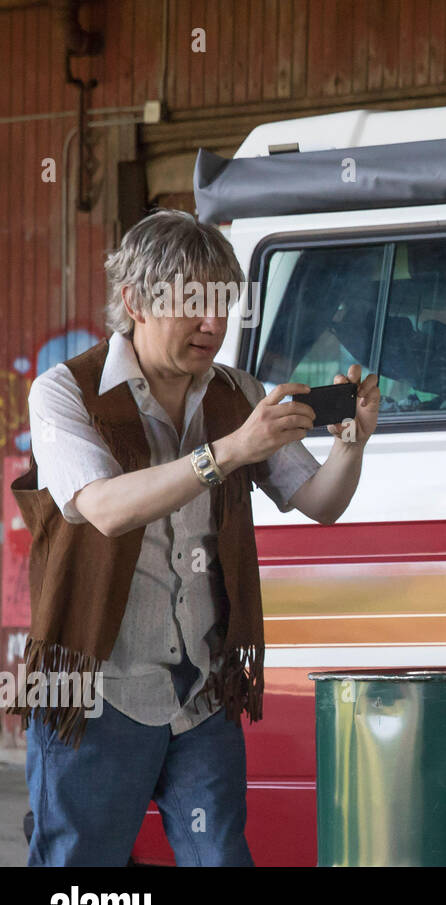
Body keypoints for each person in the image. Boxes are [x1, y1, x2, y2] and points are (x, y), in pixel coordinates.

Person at [12, 209, 380, 866]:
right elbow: (104, 507)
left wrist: (351, 446)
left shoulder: (237, 393)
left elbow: (318, 502)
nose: (213, 325)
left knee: (221, 857)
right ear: (134, 302)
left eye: (222, 304)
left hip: (201, 688)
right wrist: (231, 451)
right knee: (79, 876)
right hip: (97, 686)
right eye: (192, 304)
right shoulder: (66, 391)